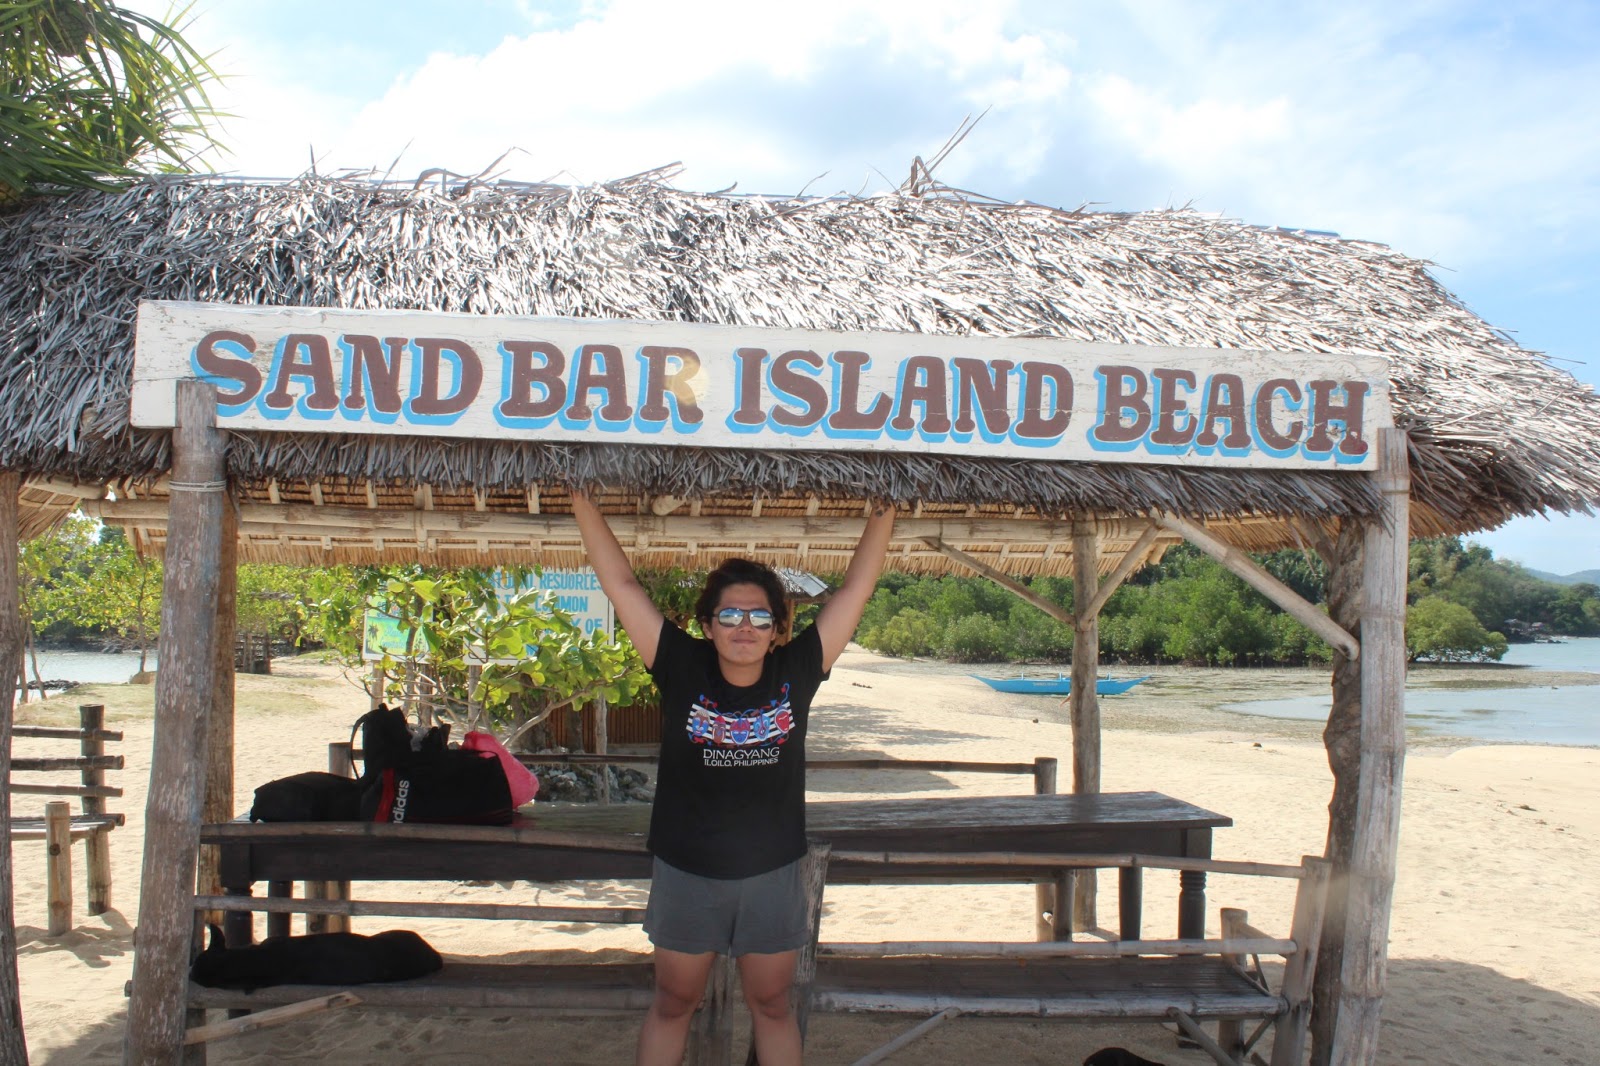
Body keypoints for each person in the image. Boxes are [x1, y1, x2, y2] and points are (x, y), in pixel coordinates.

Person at [571, 491, 896, 1066]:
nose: (744, 627)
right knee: (674, 1002)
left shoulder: (797, 670)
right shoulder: (680, 665)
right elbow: (621, 585)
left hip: (772, 872)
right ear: (707, 625)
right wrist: (581, 502)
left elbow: (854, 591)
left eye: (759, 617)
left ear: (776, 629)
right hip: (686, 869)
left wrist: (886, 509)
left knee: (772, 1005)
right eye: (729, 615)